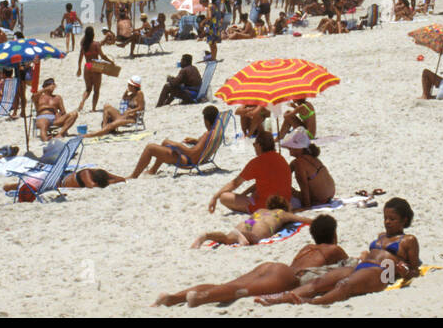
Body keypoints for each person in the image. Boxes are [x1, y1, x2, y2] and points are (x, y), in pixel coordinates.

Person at [155, 214, 348, 307]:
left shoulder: (307, 248)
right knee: (239, 291)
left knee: (228, 284)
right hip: (287, 277)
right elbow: (350, 268)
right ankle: (200, 298)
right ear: (334, 234)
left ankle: (174, 297)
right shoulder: (335, 249)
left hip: (271, 266)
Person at [256, 198, 421, 306]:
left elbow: (415, 270)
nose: (387, 222)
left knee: (344, 285)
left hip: (383, 272)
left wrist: (406, 272)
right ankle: (281, 297)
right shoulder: (381, 236)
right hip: (362, 266)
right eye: (385, 218)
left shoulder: (409, 240)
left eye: (392, 219)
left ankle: (313, 302)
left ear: (404, 220)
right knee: (319, 282)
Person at [208, 131, 291, 215]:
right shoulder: (281, 158)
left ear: (259, 145)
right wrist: (244, 194)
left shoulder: (257, 162)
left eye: (254, 144)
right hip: (284, 203)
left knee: (224, 197)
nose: (254, 147)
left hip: (267, 206)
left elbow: (235, 183)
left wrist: (215, 197)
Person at [190, 195, 315, 248]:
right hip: (262, 226)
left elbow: (252, 221)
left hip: (249, 222)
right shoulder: (281, 213)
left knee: (228, 239)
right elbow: (303, 220)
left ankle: (206, 236)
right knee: (253, 239)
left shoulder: (261, 210)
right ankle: (240, 236)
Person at [129, 105, 220, 177]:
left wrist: (178, 146)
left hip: (188, 161)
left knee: (150, 147)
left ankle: (134, 175)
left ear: (207, 121)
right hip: (194, 157)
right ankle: (153, 170)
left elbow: (192, 153)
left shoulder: (207, 134)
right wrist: (196, 141)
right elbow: (203, 146)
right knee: (165, 143)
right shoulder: (216, 132)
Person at [283, 129, 334, 208]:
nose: (289, 152)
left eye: (290, 148)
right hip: (329, 195)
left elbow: (304, 188)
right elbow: (285, 174)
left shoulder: (299, 163)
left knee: (288, 191)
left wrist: (306, 207)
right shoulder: (312, 158)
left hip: (319, 200)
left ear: (298, 148)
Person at [77, 27, 112, 113]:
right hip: (96, 66)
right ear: (93, 35)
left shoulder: (84, 45)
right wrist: (111, 62)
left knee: (88, 89)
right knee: (96, 90)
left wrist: (79, 69)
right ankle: (93, 108)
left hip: (87, 65)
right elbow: (102, 56)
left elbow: (80, 57)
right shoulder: (96, 44)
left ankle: (82, 101)